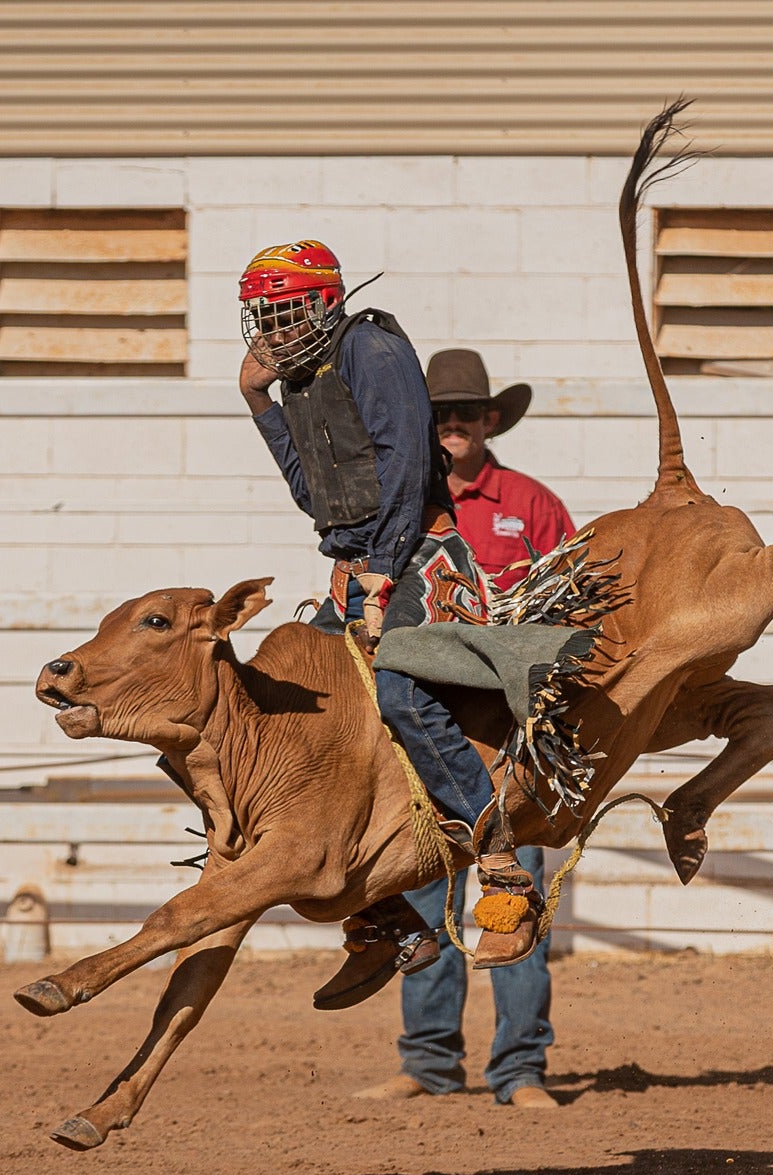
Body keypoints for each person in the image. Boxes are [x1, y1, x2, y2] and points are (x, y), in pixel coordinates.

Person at [237, 241, 547, 998]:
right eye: (262, 318)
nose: (268, 332)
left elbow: (406, 467)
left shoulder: (371, 349)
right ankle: (389, 921)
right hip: (355, 563)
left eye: (279, 314)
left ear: (318, 306)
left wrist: (379, 575)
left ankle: (502, 862)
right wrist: (259, 405)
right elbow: (314, 494)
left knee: (404, 693)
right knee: (290, 714)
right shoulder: (305, 377)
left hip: (414, 557)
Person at [358, 350, 578, 1108]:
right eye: (438, 414)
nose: (451, 425)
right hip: (419, 724)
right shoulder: (396, 506)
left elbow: (570, 607)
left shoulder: (531, 503)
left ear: (491, 420)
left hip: (506, 732)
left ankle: (519, 1070)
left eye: (465, 413)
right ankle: (428, 1061)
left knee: (510, 897)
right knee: (423, 890)